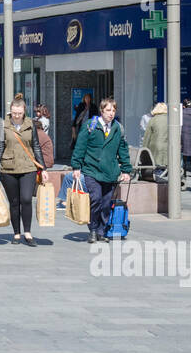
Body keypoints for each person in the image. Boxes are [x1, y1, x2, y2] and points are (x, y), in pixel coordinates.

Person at [70, 98, 133, 244]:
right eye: (108, 110)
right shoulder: (90, 126)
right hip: (91, 170)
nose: (111, 113)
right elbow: (80, 147)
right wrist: (76, 167)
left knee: (106, 204)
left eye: (113, 110)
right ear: (101, 111)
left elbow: (122, 150)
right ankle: (93, 230)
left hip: (110, 172)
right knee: (96, 199)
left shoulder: (118, 128)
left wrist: (126, 170)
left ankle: (101, 230)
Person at [0, 96, 45, 245]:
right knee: (14, 202)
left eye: (19, 113)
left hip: (28, 168)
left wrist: (43, 168)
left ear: (24, 111)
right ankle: (16, 233)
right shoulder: (3, 125)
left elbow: (36, 147)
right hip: (9, 169)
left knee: (26, 199)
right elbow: (0, 147)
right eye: (14, 112)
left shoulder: (31, 124)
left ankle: (27, 232)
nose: (16, 115)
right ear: (10, 111)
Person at [142, 103, 170, 180]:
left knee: (157, 167)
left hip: (155, 148)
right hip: (168, 148)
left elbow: (147, 137)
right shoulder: (170, 120)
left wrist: (144, 150)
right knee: (165, 167)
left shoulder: (153, 120)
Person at [34, 104, 55, 168]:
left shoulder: (43, 120)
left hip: (41, 139)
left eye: (39, 112)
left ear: (43, 111)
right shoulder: (39, 119)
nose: (37, 113)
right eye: (36, 112)